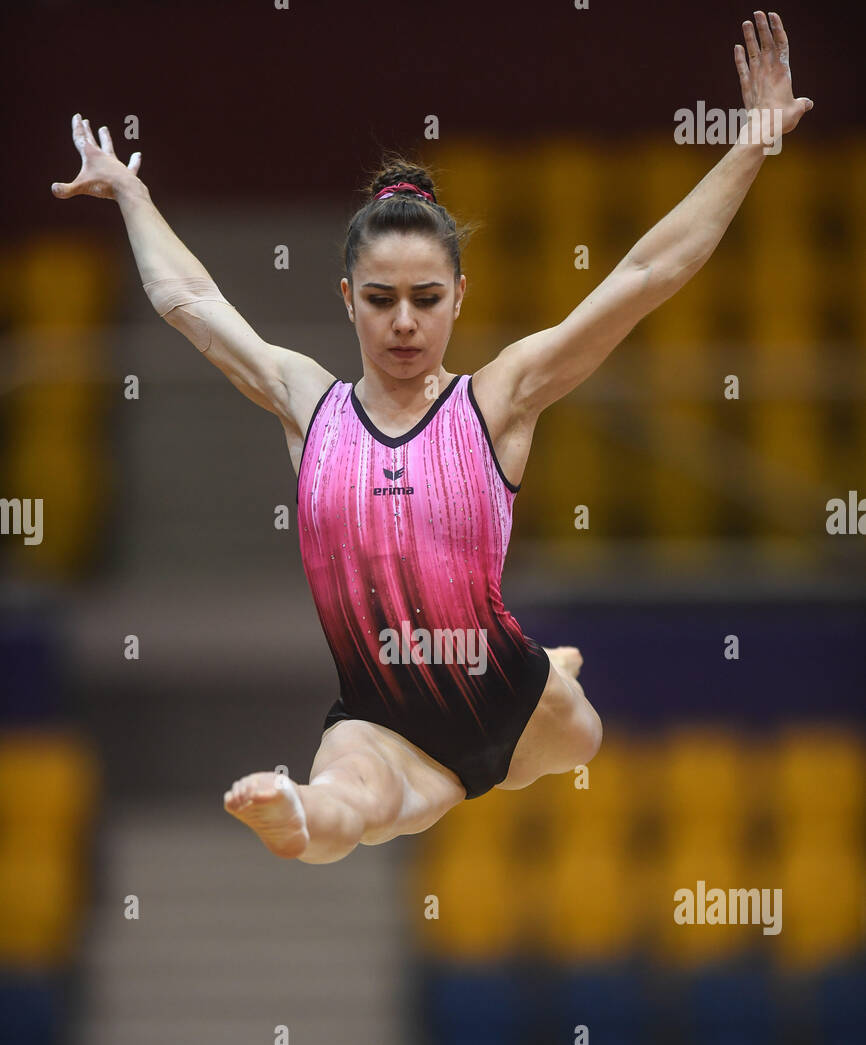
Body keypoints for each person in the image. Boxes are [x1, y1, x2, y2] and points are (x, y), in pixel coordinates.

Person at [52, 12, 811, 865]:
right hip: (383, 720)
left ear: (460, 296)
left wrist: (751, 147)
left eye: (426, 298)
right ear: (347, 299)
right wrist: (133, 193)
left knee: (585, 735)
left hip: (512, 705)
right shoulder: (311, 407)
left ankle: (553, 668)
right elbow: (190, 302)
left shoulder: (500, 402)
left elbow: (641, 277)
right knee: (350, 801)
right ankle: (291, 811)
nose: (404, 323)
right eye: (381, 300)